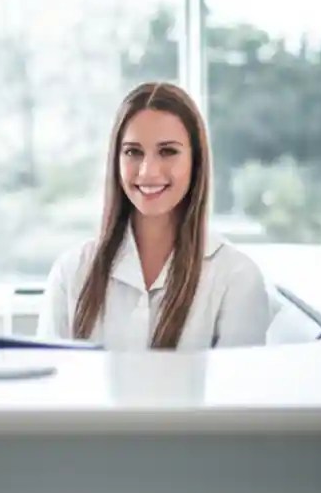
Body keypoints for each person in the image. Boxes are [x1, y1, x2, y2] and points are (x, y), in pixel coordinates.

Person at [37, 82, 273, 350]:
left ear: (196, 161)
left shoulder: (237, 278)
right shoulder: (71, 272)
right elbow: (50, 387)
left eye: (168, 151)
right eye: (133, 152)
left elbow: (237, 390)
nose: (148, 171)